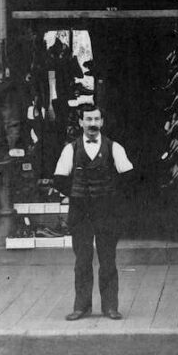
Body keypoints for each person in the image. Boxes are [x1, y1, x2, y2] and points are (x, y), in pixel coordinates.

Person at [53, 105, 133, 320]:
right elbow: (59, 179)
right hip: (81, 213)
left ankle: (110, 307)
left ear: (102, 122)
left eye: (96, 119)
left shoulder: (114, 147)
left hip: (107, 212)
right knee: (82, 261)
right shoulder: (70, 149)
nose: (92, 124)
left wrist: (111, 197)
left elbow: (128, 177)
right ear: (80, 122)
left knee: (108, 260)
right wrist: (78, 194)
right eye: (88, 119)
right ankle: (82, 307)